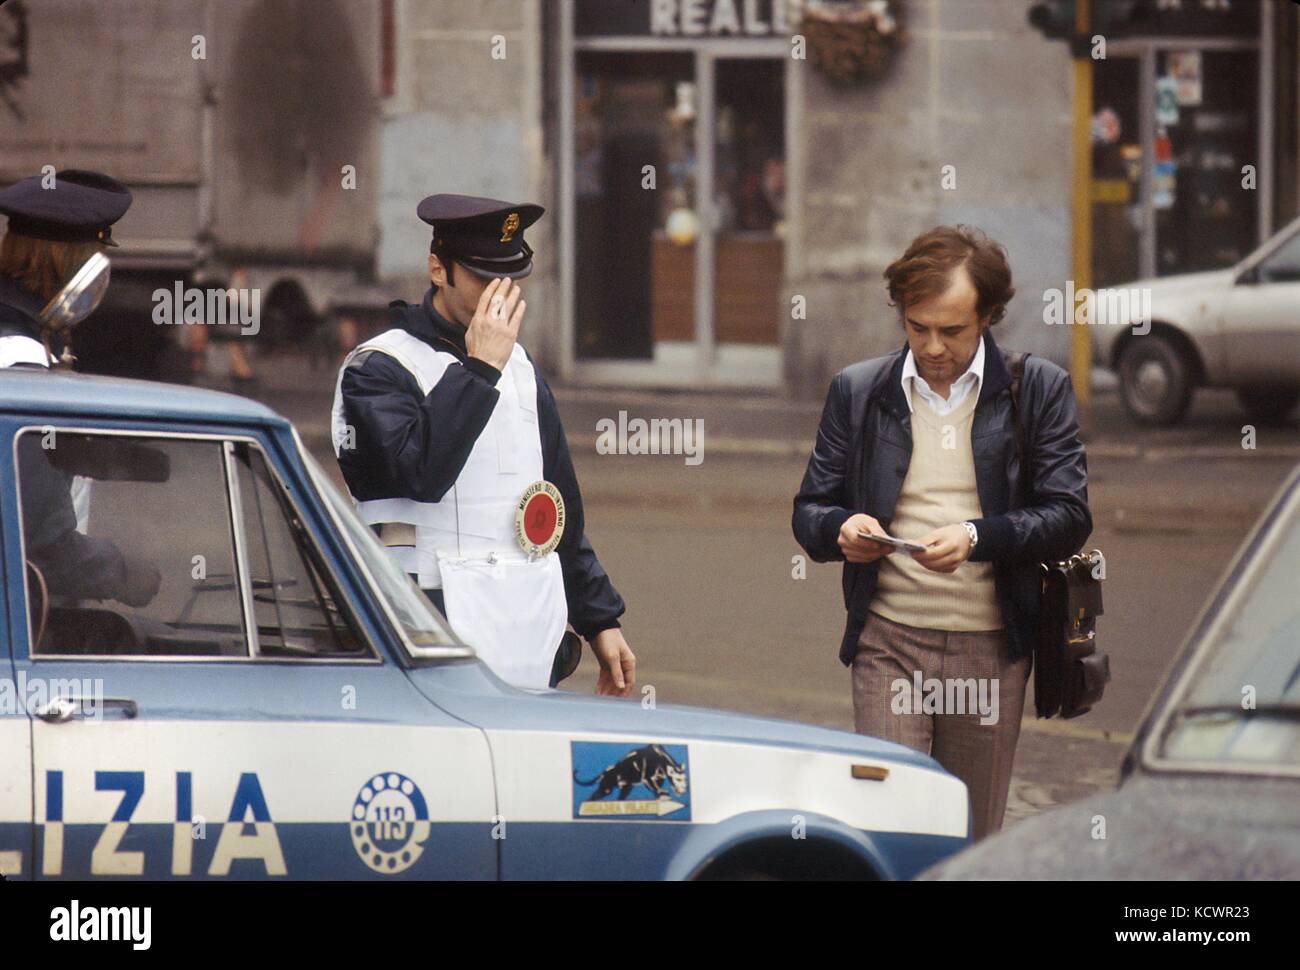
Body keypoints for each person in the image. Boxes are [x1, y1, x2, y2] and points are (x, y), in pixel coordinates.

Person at [792, 225, 1091, 840]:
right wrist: (840, 527)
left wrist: (979, 538)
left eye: (951, 331)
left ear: (988, 317)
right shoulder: (859, 390)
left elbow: (1069, 516)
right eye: (916, 327)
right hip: (888, 643)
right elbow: (810, 508)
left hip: (990, 647)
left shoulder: (1037, 390)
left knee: (969, 837)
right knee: (892, 831)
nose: (931, 347)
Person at [331, 194, 635, 694]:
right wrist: (478, 371)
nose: (500, 294)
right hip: (425, 634)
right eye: (482, 277)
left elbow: (559, 505)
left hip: (527, 636)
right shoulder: (378, 368)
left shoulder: (519, 365)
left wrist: (601, 618)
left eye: (510, 278)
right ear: (437, 269)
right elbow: (420, 475)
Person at [0, 167, 160, 610]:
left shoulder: (24, 344)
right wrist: (122, 571)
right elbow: (36, 542)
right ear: (72, 264)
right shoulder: (19, 363)